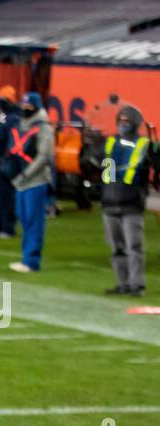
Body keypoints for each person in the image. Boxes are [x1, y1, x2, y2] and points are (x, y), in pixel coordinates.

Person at [100, 105, 152, 296]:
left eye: (126, 121)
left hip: (131, 204)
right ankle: (123, 283)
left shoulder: (144, 144)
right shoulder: (111, 142)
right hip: (110, 202)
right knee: (117, 248)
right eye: (120, 121)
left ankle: (137, 284)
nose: (123, 125)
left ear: (135, 124)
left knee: (134, 247)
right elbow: (105, 169)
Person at [7, 92, 55, 273]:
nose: (26, 109)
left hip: (36, 180)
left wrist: (26, 174)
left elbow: (44, 156)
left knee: (34, 221)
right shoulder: (22, 125)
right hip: (21, 180)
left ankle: (32, 260)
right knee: (24, 219)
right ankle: (26, 257)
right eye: (24, 106)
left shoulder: (44, 128)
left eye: (29, 107)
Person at [0, 86, 19, 238]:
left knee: (5, 197)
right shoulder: (3, 117)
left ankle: (7, 227)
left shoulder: (14, 118)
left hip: (6, 162)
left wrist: (5, 159)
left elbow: (11, 140)